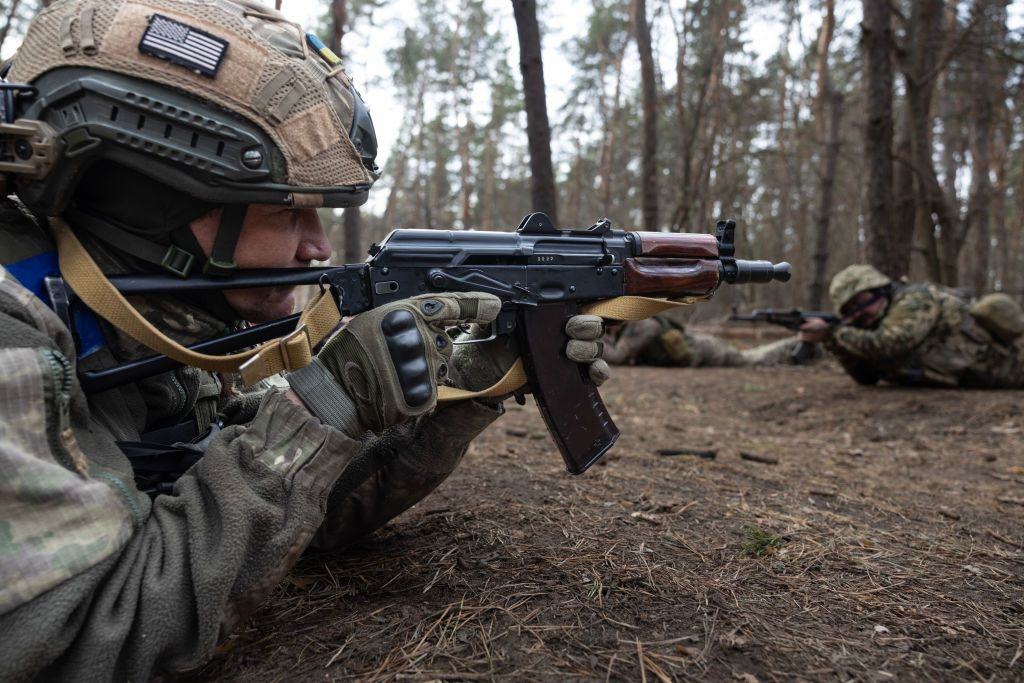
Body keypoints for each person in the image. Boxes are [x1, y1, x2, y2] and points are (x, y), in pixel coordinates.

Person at [0, 1, 608, 679]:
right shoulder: (13, 331)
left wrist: (462, 386)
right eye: (285, 210)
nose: (318, 247)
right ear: (155, 204)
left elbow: (267, 517)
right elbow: (81, 636)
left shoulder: (150, 322)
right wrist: (322, 404)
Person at [798, 264, 1024, 387]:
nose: (860, 313)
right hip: (977, 380)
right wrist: (831, 341)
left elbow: (891, 343)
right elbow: (866, 377)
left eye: (861, 302)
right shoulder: (869, 328)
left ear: (880, 290)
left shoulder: (916, 299)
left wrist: (835, 332)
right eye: (850, 309)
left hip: (1013, 368)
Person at [603, 315, 821, 367]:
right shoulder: (632, 325)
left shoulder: (641, 326)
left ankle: (798, 343)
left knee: (750, 359)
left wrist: (596, 336)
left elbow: (619, 356)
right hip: (698, 346)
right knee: (749, 355)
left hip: (703, 349)